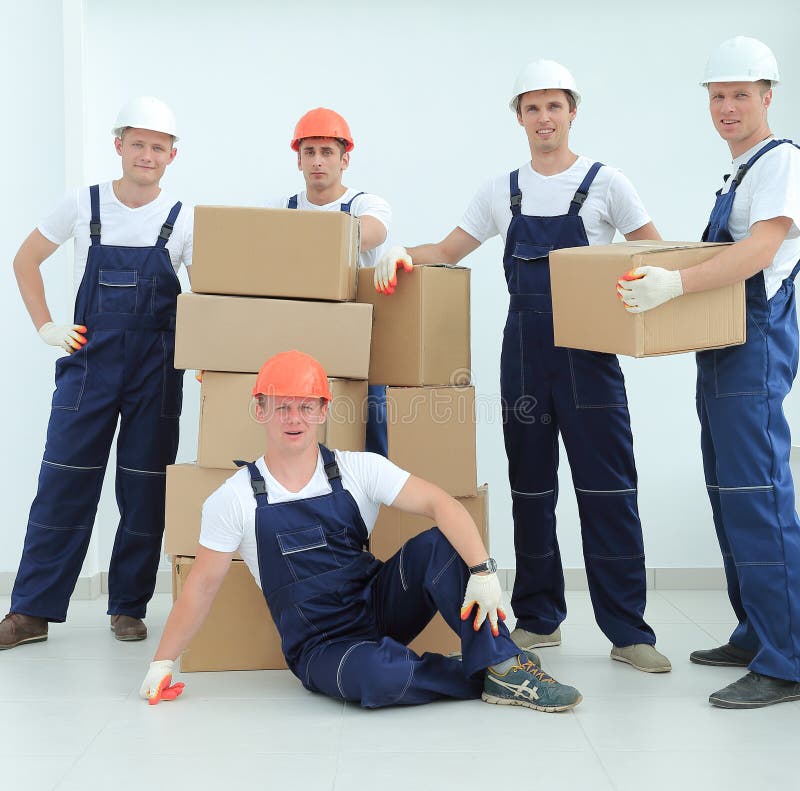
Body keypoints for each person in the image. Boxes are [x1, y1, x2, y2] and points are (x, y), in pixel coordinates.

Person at [375, 60, 671, 673]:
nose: (543, 118)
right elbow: (451, 250)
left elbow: (653, 249)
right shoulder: (500, 191)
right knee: (531, 492)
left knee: (608, 493)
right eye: (532, 108)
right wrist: (403, 251)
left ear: (572, 112)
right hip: (524, 361)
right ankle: (540, 619)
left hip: (591, 362)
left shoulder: (606, 182)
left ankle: (628, 630)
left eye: (554, 107)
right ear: (519, 116)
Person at [139, 350, 582, 712]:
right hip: (321, 645)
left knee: (439, 544)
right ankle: (482, 673)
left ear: (323, 410)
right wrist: (162, 663)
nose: (294, 418)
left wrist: (483, 572)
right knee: (380, 677)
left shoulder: (357, 469)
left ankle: (504, 667)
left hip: (378, 606)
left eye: (306, 406)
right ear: (260, 409)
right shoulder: (231, 499)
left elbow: (440, 503)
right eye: (282, 405)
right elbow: (200, 587)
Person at [618, 36, 800, 708]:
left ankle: (789, 658)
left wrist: (677, 284)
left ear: (766, 97)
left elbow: (757, 251)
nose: (726, 107)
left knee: (760, 499)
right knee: (730, 496)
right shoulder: (741, 170)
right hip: (724, 353)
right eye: (717, 96)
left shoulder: (780, 162)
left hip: (754, 351)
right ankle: (758, 628)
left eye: (739, 95)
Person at [0, 97, 193, 650]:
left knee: (144, 485)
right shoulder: (83, 204)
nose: (147, 154)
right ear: (119, 145)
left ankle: (128, 606)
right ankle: (31, 612)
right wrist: (45, 326)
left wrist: (205, 360)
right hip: (89, 362)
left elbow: (204, 299)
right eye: (138, 143)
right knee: (63, 480)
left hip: (155, 368)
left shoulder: (183, 219)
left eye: (159, 146)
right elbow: (24, 259)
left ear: (172, 155)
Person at [266, 108, 391, 456]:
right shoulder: (279, 207)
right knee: (300, 433)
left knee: (370, 426)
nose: (317, 161)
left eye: (327, 152)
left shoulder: (365, 204)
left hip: (357, 342)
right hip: (296, 336)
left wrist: (295, 240)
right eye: (309, 153)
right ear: (299, 160)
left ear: (345, 159)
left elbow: (372, 233)